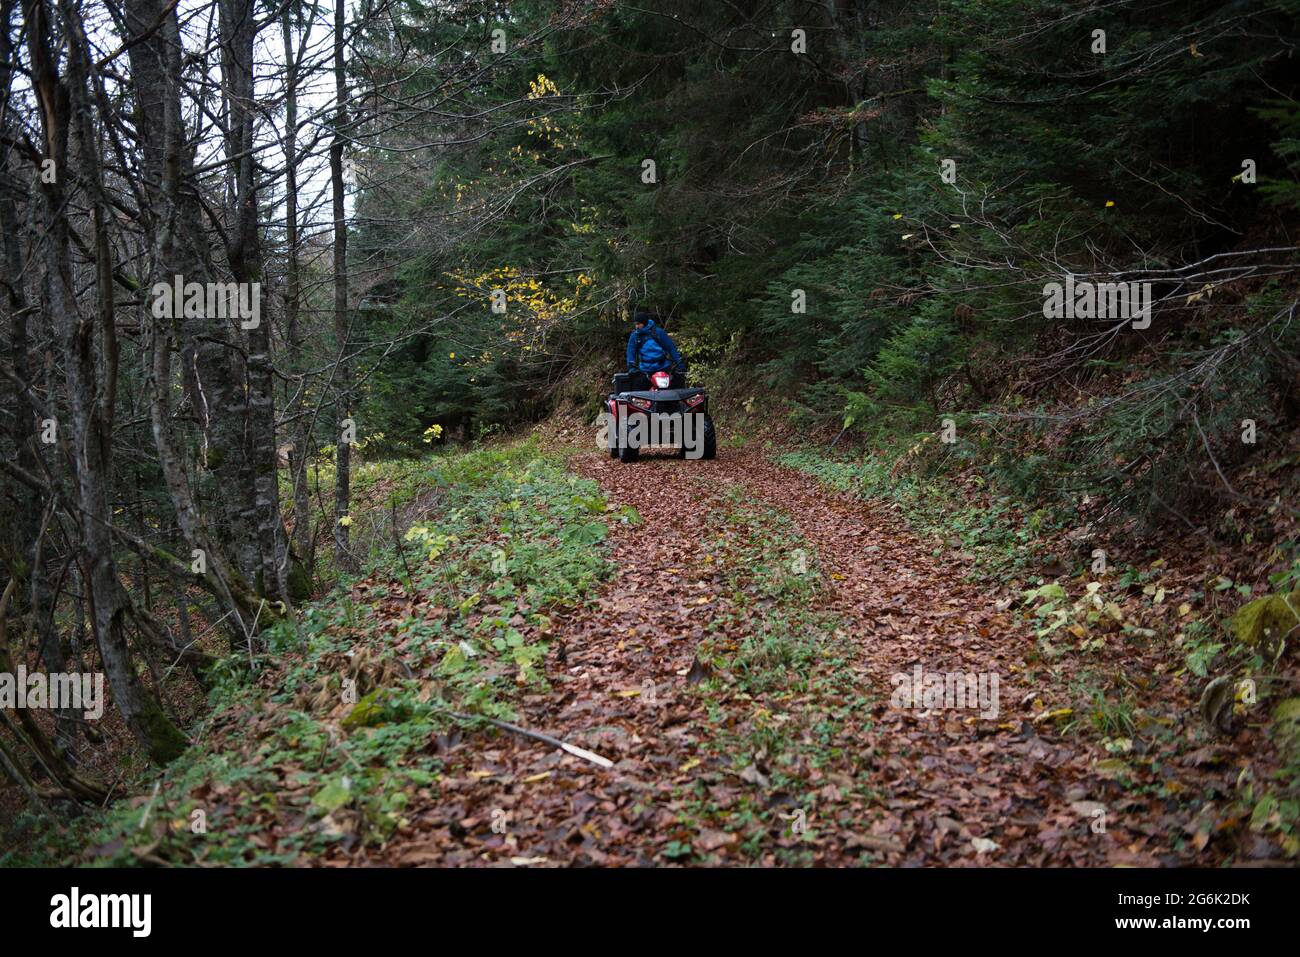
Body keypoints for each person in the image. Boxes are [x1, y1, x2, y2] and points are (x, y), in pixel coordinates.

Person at [626, 309, 683, 375]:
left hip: (663, 368)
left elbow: (671, 348)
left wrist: (679, 363)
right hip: (645, 370)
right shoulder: (635, 336)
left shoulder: (658, 333)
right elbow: (630, 352)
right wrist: (631, 367)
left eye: (639, 324)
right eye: (635, 324)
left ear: (644, 323)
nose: (637, 327)